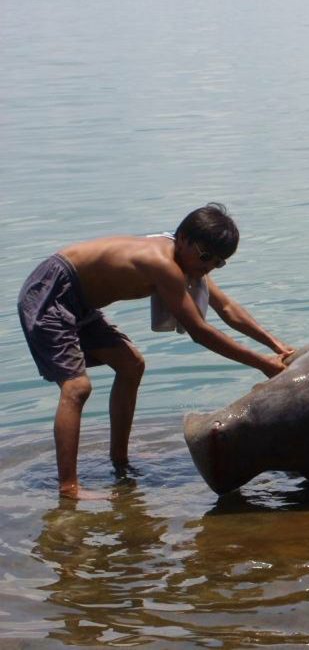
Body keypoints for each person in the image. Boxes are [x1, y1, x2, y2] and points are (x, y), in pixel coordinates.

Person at [17, 203, 294, 499]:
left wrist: (274, 344)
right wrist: (262, 363)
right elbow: (200, 332)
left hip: (81, 302)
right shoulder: (164, 265)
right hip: (53, 291)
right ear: (184, 238)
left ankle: (119, 460)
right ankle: (69, 487)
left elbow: (226, 308)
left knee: (131, 364)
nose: (208, 266)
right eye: (205, 257)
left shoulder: (190, 262)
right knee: (77, 387)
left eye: (218, 262)